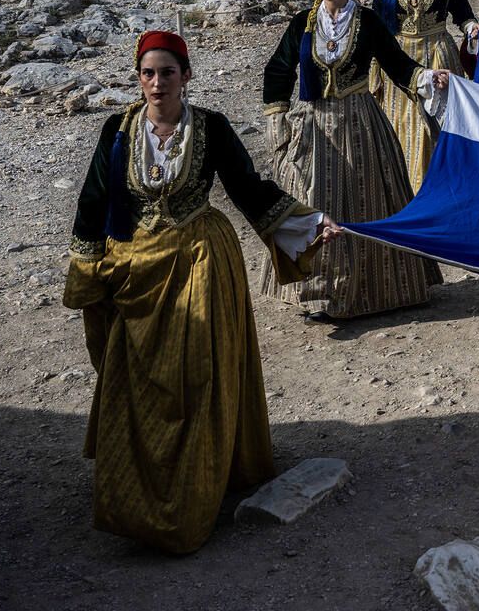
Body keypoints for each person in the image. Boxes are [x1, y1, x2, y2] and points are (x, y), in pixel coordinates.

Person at [64, 30, 339, 553]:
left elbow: (248, 188)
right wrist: (88, 268)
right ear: (138, 78)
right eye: (148, 73)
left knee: (198, 375)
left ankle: (197, 487)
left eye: (168, 72)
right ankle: (134, 496)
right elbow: (93, 200)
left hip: (200, 263)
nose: (157, 82)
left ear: (186, 76)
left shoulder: (210, 128)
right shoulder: (117, 131)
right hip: (136, 267)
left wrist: (308, 222)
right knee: (133, 378)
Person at [261, 0, 449, 320]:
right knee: (313, 198)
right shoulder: (303, 23)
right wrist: (277, 116)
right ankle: (318, 293)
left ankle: (377, 289)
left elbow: (397, 64)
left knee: (367, 197)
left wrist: (427, 78)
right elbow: (278, 70)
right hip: (314, 124)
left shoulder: (366, 21)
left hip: (361, 121)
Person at [370, 0, 479, 192]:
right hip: (399, 60)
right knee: (403, 126)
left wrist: (471, 29)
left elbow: (463, 16)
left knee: (436, 127)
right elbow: (376, 26)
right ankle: (407, 191)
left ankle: (444, 187)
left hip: (437, 54)